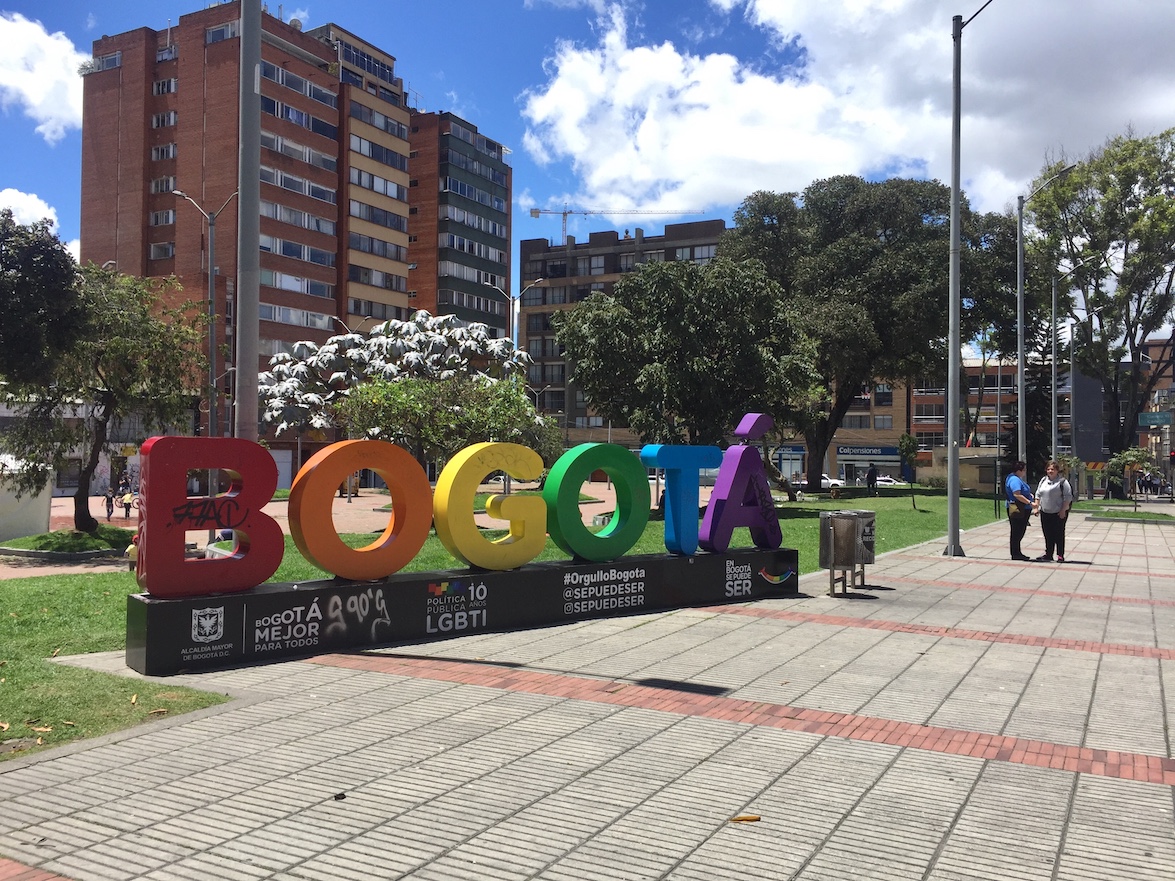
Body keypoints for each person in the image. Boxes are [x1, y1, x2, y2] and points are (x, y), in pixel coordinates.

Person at [1034, 460, 1073, 562]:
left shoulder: (1062, 482)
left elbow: (1068, 497)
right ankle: (1048, 554)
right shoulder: (1043, 480)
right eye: (1048, 469)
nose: (1050, 471)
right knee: (1047, 533)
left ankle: (1060, 555)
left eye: (1052, 469)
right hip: (1045, 511)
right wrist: (1036, 507)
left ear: (1057, 471)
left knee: (1058, 534)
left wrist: (1063, 510)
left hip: (1058, 512)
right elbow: (1038, 494)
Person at [1005, 461, 1035, 561]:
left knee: (1019, 531)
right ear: (1019, 470)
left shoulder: (1015, 478)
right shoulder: (1014, 479)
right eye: (1024, 470)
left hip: (1022, 508)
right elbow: (1017, 494)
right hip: (1018, 508)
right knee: (1017, 531)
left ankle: (1017, 552)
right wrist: (1029, 502)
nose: (1025, 472)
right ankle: (1015, 553)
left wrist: (1029, 495)